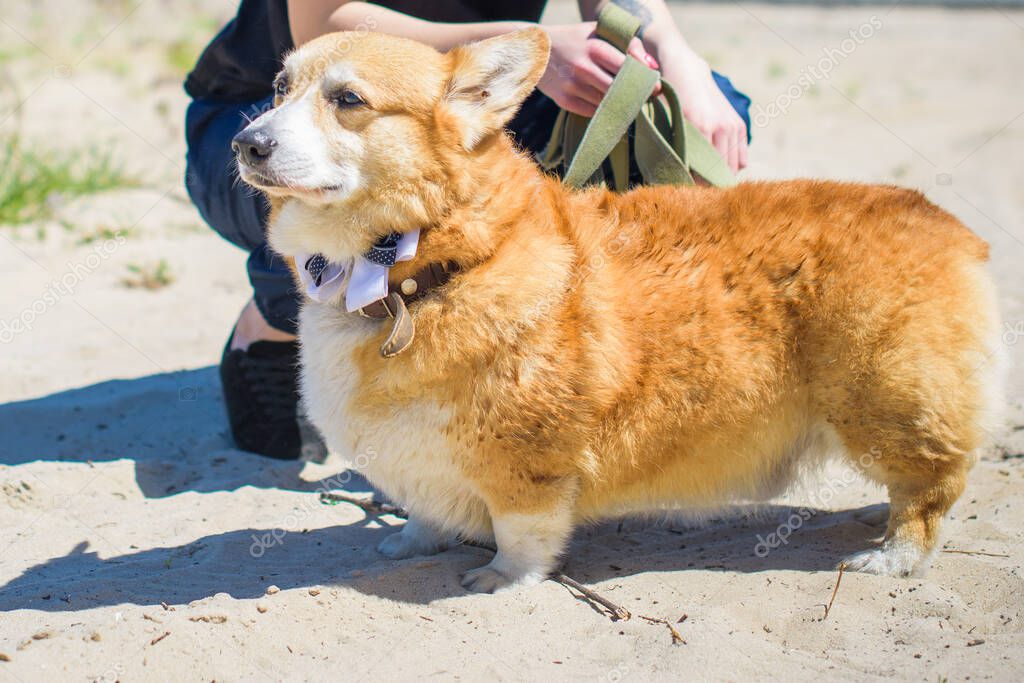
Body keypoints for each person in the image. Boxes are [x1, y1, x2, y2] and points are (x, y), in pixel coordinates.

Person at [184, 0, 752, 459]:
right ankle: (275, 308)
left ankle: (560, 345)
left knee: (691, 103)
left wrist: (678, 60)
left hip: (449, 96)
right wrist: (527, 43)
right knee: (338, 197)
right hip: (279, 103)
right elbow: (323, 22)